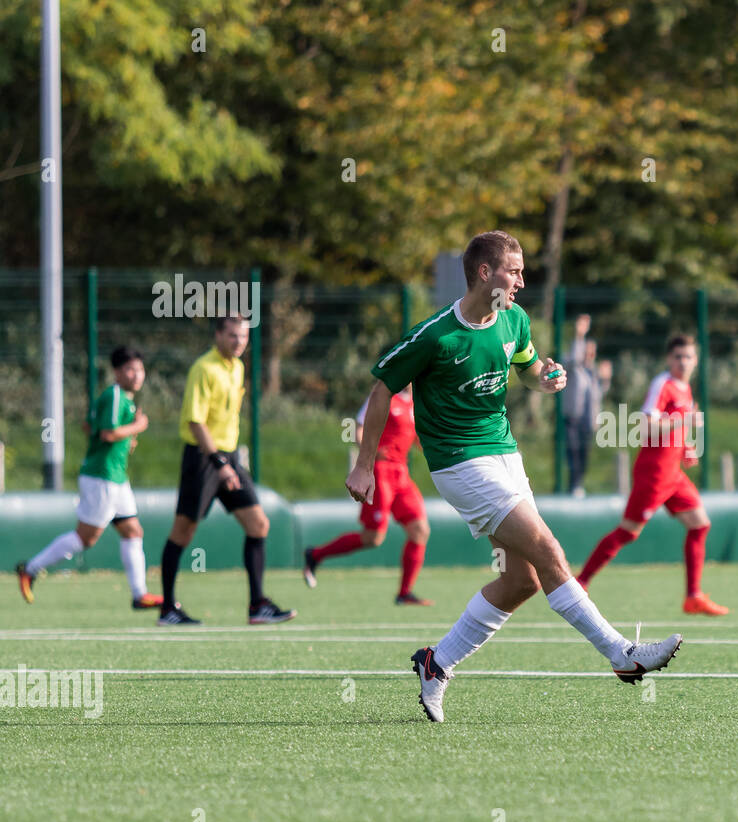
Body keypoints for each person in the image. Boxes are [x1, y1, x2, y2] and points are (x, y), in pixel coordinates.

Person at [345, 230, 682, 724]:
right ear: (486, 274)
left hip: (506, 455)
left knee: (521, 580)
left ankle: (436, 665)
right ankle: (621, 655)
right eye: (515, 270)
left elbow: (525, 368)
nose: (523, 280)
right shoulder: (436, 334)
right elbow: (380, 390)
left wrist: (545, 378)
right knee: (548, 550)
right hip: (460, 463)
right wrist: (362, 463)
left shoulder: (514, 319)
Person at [157, 315, 296, 626]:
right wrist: (219, 463)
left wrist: (229, 461)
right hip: (204, 458)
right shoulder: (203, 368)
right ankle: (167, 608)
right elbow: (195, 421)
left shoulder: (238, 367)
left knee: (259, 524)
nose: (239, 342)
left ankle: (257, 604)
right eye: (233, 336)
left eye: (243, 337)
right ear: (218, 335)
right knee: (183, 531)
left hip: (229, 458)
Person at [575, 335, 729, 615]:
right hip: (654, 475)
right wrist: (685, 421)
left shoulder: (685, 389)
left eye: (689, 357)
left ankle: (693, 596)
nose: (684, 362)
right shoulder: (664, 384)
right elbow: (647, 428)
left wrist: (686, 448)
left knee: (700, 524)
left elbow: (673, 429)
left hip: (674, 473)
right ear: (669, 359)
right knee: (628, 533)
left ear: (696, 360)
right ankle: (579, 583)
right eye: (678, 357)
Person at [17, 347, 163, 609]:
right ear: (117, 372)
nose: (137, 374)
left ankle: (140, 594)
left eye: (140, 369)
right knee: (86, 538)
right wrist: (136, 428)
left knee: (132, 531)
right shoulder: (116, 395)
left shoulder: (119, 398)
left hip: (116, 477)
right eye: (130, 369)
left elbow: (90, 426)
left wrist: (124, 440)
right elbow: (107, 433)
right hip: (102, 477)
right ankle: (30, 569)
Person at [302, 385, 432, 604]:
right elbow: (358, 429)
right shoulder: (384, 393)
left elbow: (418, 439)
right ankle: (315, 555)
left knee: (420, 530)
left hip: (401, 473)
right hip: (381, 472)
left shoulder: (415, 402)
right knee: (373, 538)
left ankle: (404, 593)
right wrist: (368, 456)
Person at [563, 313, 611, 496]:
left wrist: (605, 380)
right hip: (573, 417)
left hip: (588, 420)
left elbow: (598, 395)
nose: (589, 354)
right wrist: (579, 336)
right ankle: (572, 485)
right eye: (587, 350)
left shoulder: (593, 373)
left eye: (592, 351)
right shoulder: (573, 367)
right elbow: (574, 357)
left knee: (584, 455)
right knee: (572, 452)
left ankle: (578, 485)